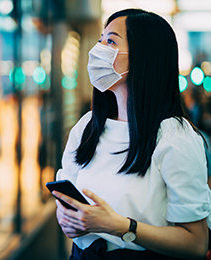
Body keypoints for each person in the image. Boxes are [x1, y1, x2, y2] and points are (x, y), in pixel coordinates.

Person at [54, 9, 211, 259]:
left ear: (143, 57)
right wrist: (66, 216)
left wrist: (119, 226)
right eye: (100, 40)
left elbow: (195, 243)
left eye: (111, 41)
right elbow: (67, 196)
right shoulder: (87, 127)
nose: (99, 50)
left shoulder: (174, 136)